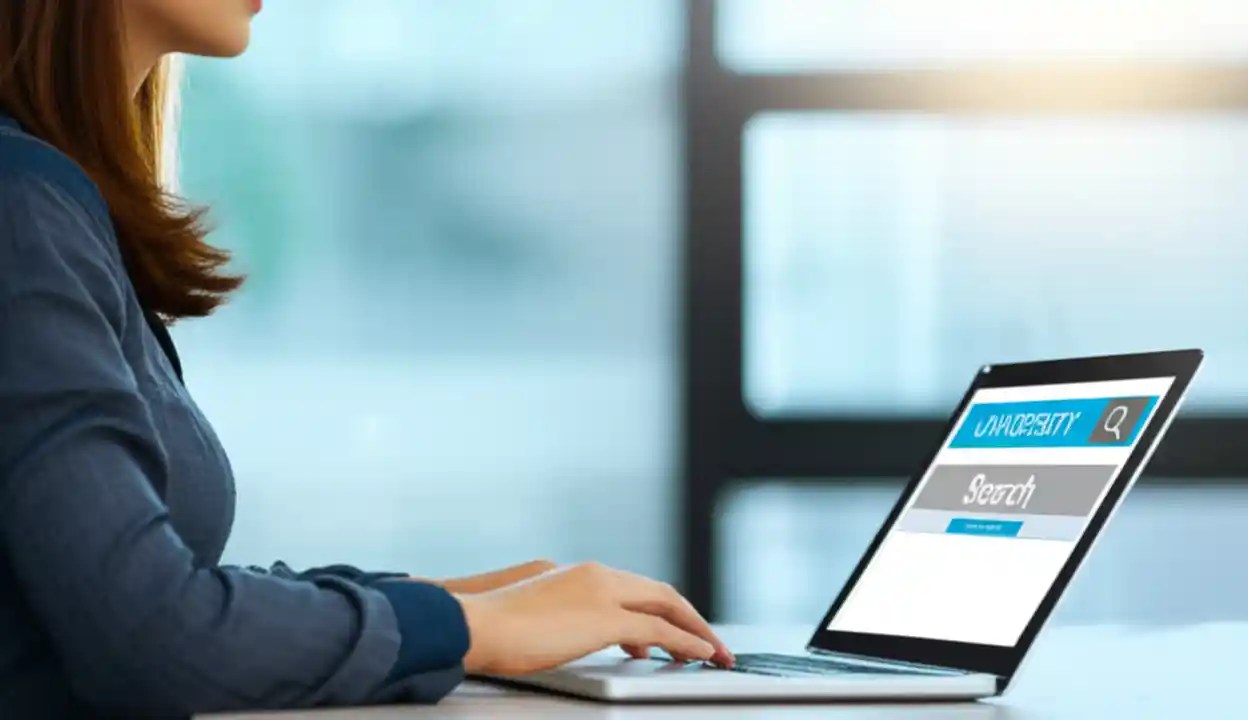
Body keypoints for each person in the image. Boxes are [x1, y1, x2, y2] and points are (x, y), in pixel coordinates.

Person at [0, 1, 733, 717]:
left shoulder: (43, 199)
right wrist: (479, 629)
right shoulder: (21, 209)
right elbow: (155, 638)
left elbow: (120, 598)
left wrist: (445, 605)